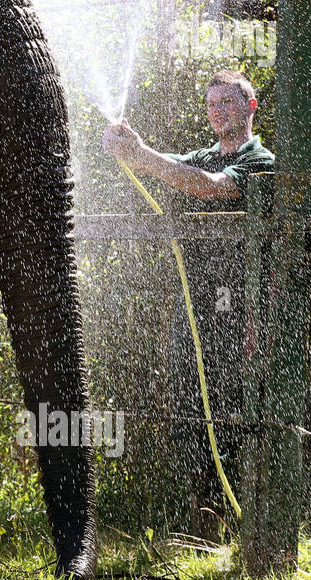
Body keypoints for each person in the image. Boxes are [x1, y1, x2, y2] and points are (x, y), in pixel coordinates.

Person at [102, 69, 275, 541]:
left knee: (234, 414)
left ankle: (248, 528)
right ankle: (202, 527)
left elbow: (209, 185)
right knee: (190, 413)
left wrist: (144, 158)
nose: (217, 110)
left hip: (241, 312)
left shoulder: (260, 161)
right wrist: (133, 147)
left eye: (227, 102)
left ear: (250, 106)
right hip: (193, 311)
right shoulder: (201, 155)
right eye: (212, 103)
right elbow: (174, 164)